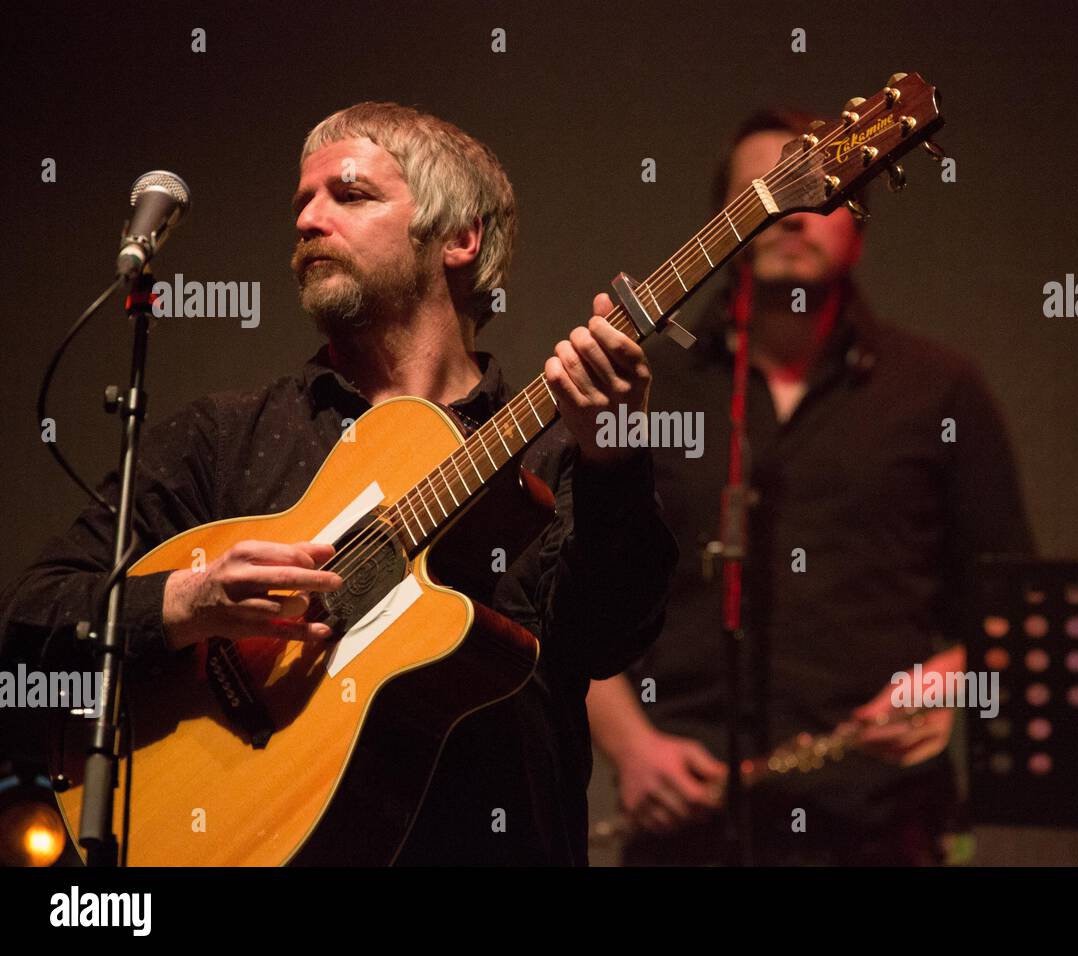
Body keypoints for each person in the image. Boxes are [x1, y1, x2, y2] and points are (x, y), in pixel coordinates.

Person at [0, 102, 677, 865]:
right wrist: (185, 603)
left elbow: (608, 636)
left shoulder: (559, 448)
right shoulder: (223, 440)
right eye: (302, 203)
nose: (309, 221)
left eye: (349, 196)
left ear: (460, 237)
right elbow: (29, 623)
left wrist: (616, 453)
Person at [586, 108, 1035, 866]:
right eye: (766, 191)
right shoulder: (645, 388)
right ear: (723, 227)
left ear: (860, 223)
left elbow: (1012, 604)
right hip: (682, 827)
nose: (795, 213)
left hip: (879, 823)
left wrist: (947, 686)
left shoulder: (938, 388)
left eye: (825, 188)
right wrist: (632, 749)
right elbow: (574, 596)